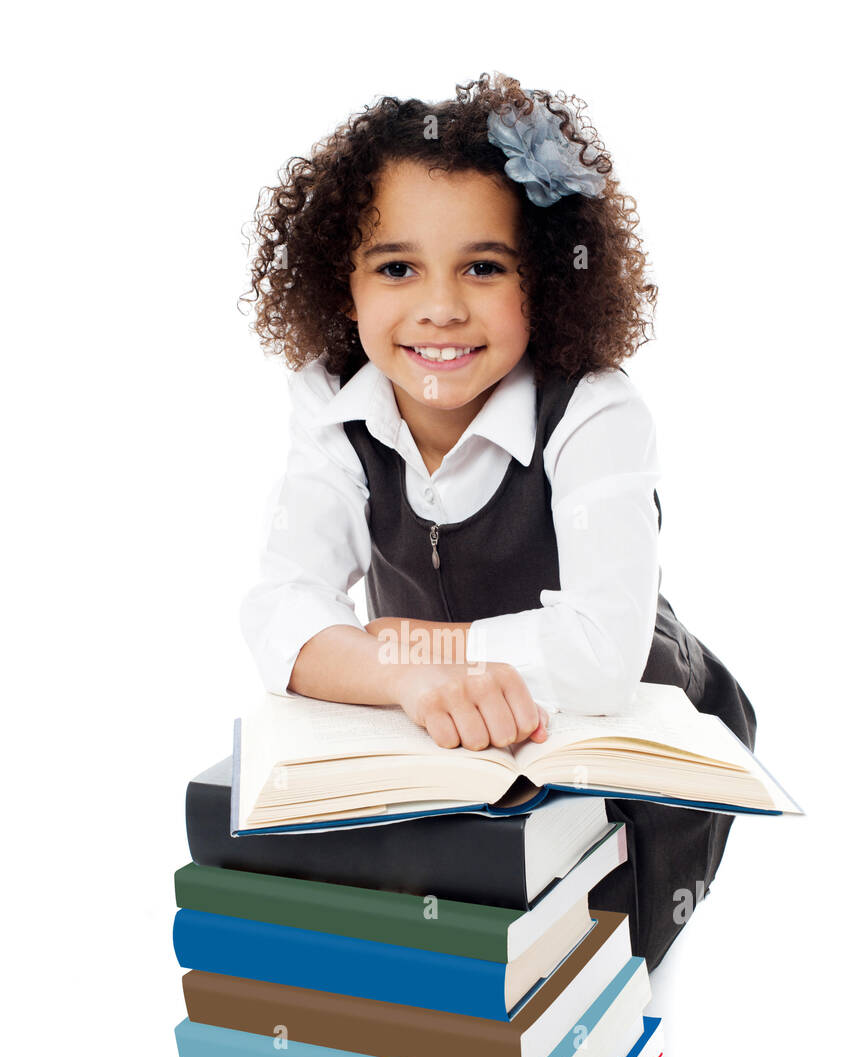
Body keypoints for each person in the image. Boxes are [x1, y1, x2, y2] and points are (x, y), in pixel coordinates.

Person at [239, 72, 757, 971]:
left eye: (483, 266)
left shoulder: (593, 411)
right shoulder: (331, 403)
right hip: (452, 727)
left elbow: (597, 654)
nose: (440, 307)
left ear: (546, 280)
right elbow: (280, 606)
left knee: (594, 974)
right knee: (461, 950)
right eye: (397, 267)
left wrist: (401, 650)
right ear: (344, 283)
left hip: (629, 728)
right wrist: (405, 673)